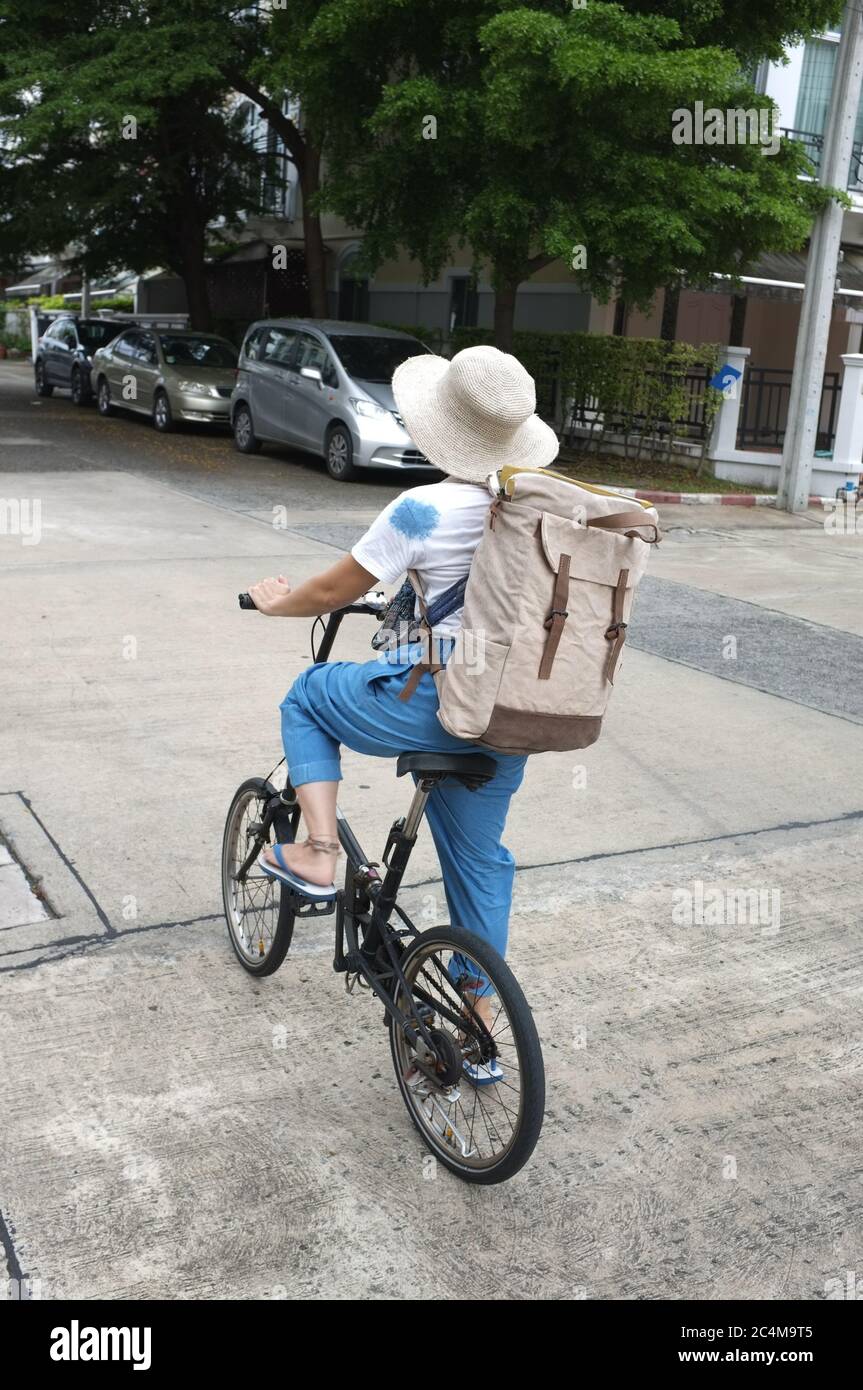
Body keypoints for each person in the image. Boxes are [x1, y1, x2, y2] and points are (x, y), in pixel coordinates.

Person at [247, 345, 559, 1049]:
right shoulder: (537, 507)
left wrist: (276, 605)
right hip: (510, 711)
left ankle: (320, 849)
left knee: (306, 695)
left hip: (437, 699)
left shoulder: (423, 507)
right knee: (479, 866)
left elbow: (332, 592)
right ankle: (478, 1020)